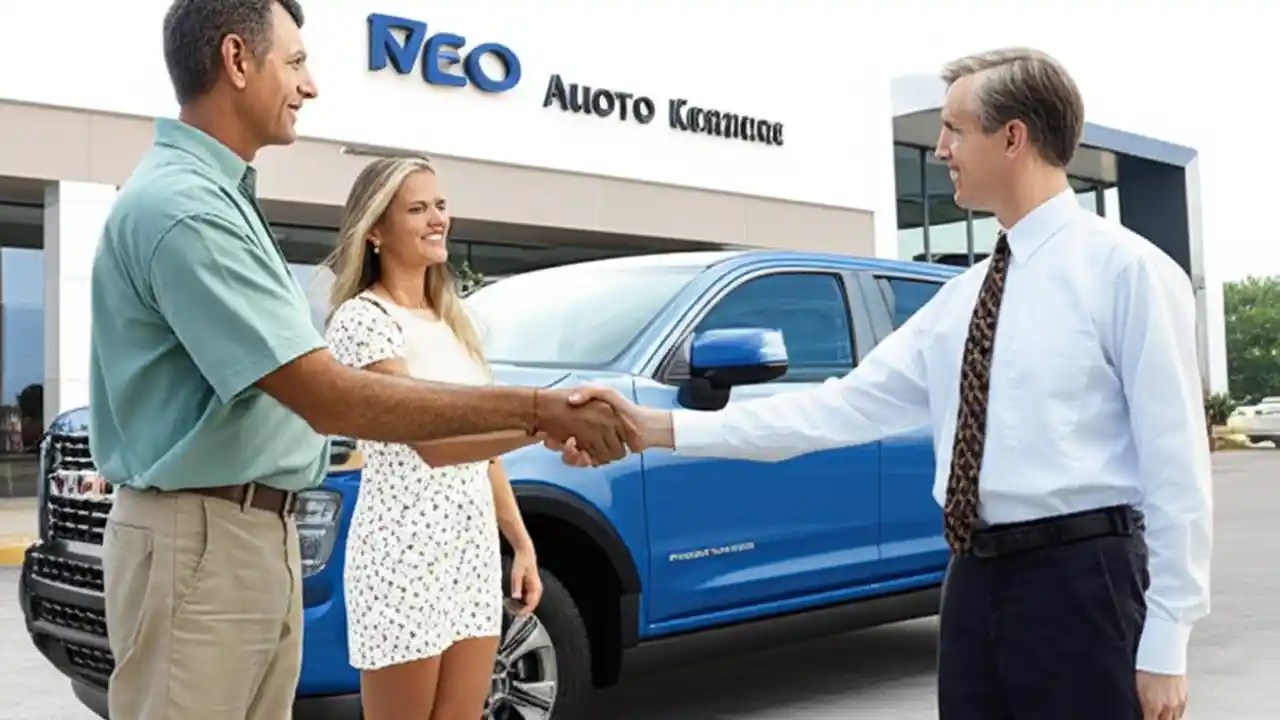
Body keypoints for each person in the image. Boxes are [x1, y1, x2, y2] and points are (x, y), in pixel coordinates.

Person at [565, 48, 1212, 720]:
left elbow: (1177, 464)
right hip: (969, 580)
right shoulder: (962, 301)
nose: (940, 150)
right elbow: (835, 409)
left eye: (956, 130)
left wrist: (1166, 637)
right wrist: (653, 429)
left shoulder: (1127, 272)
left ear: (1013, 137)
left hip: (1083, 582)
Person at [88, 2, 626, 719]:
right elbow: (330, 398)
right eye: (297, 62)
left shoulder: (222, 202)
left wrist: (527, 464)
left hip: (249, 535)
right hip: (209, 542)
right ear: (237, 61)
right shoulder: (189, 212)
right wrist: (539, 412)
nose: (309, 86)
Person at [321, 156, 548, 718]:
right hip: (402, 557)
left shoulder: (453, 321)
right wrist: (545, 420)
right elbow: (435, 442)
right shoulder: (362, 320)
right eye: (417, 209)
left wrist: (519, 543)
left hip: (468, 554)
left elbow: (483, 451)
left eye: (440, 206)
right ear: (374, 230)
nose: (436, 219)